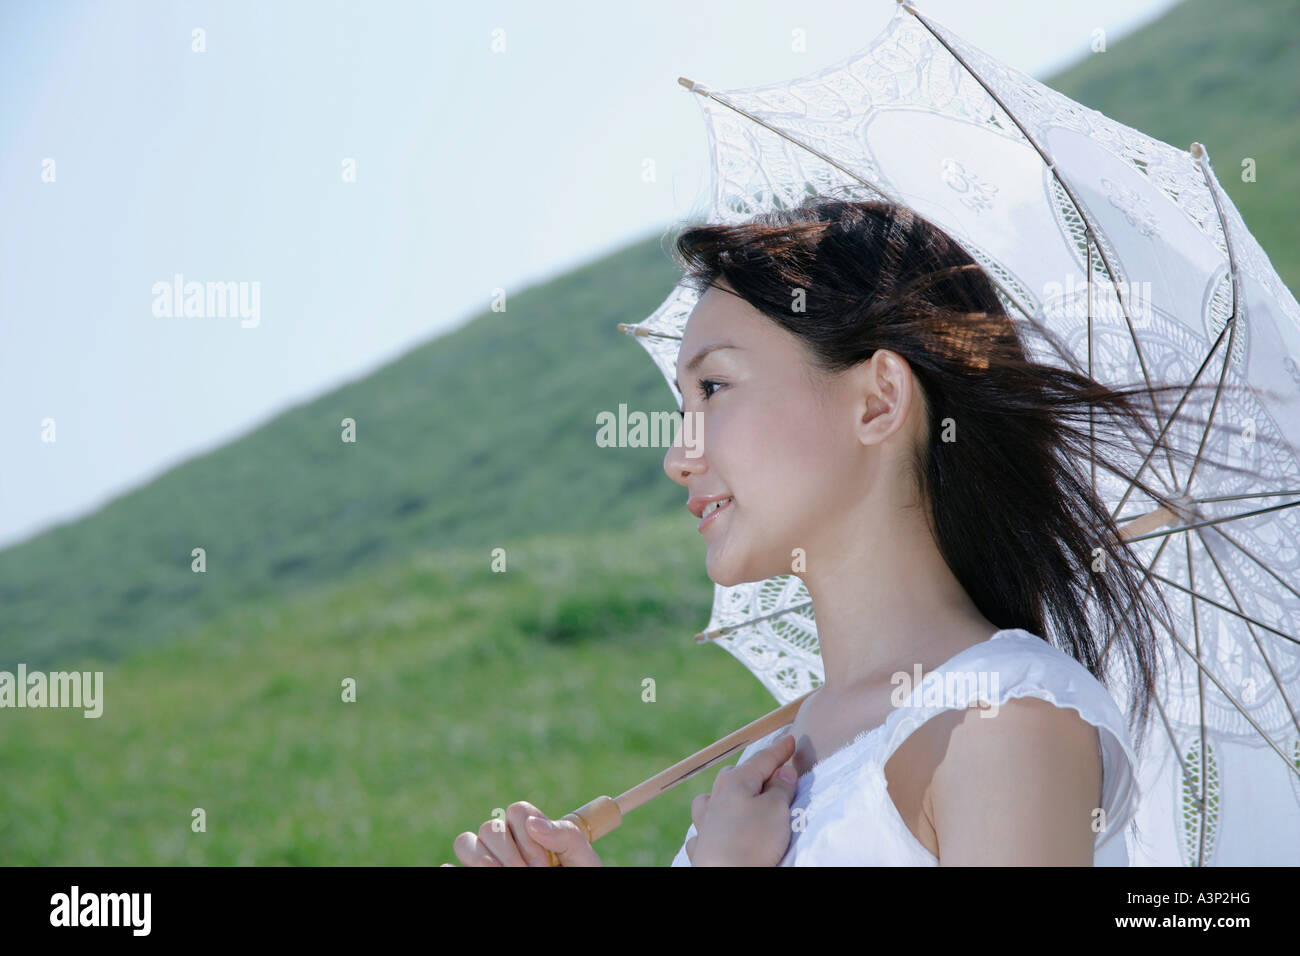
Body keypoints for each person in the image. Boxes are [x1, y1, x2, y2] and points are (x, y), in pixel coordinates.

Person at [448, 195, 1198, 867]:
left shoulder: (1007, 729)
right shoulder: (785, 752)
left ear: (877, 399)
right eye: (682, 405)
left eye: (714, 387)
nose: (680, 456)